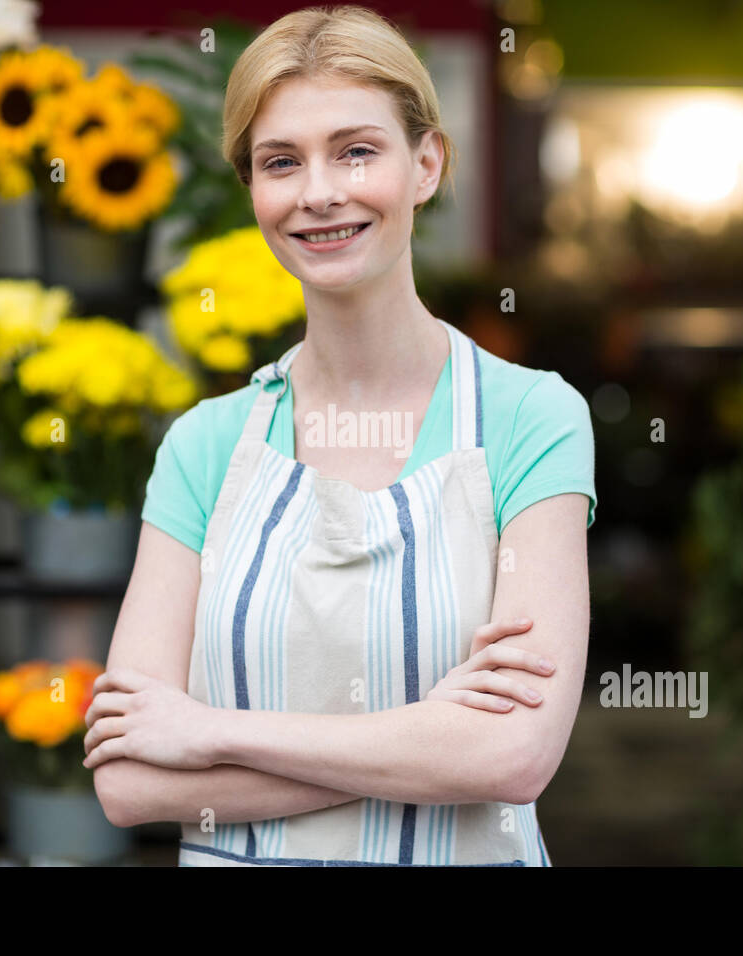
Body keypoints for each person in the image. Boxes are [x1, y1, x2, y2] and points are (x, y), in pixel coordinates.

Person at [83, 4, 597, 867]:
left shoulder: (530, 419)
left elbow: (517, 756)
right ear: (252, 188)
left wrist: (209, 732)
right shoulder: (203, 449)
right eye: (281, 162)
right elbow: (130, 783)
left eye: (357, 150)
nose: (319, 192)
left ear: (426, 163)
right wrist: (436, 743)